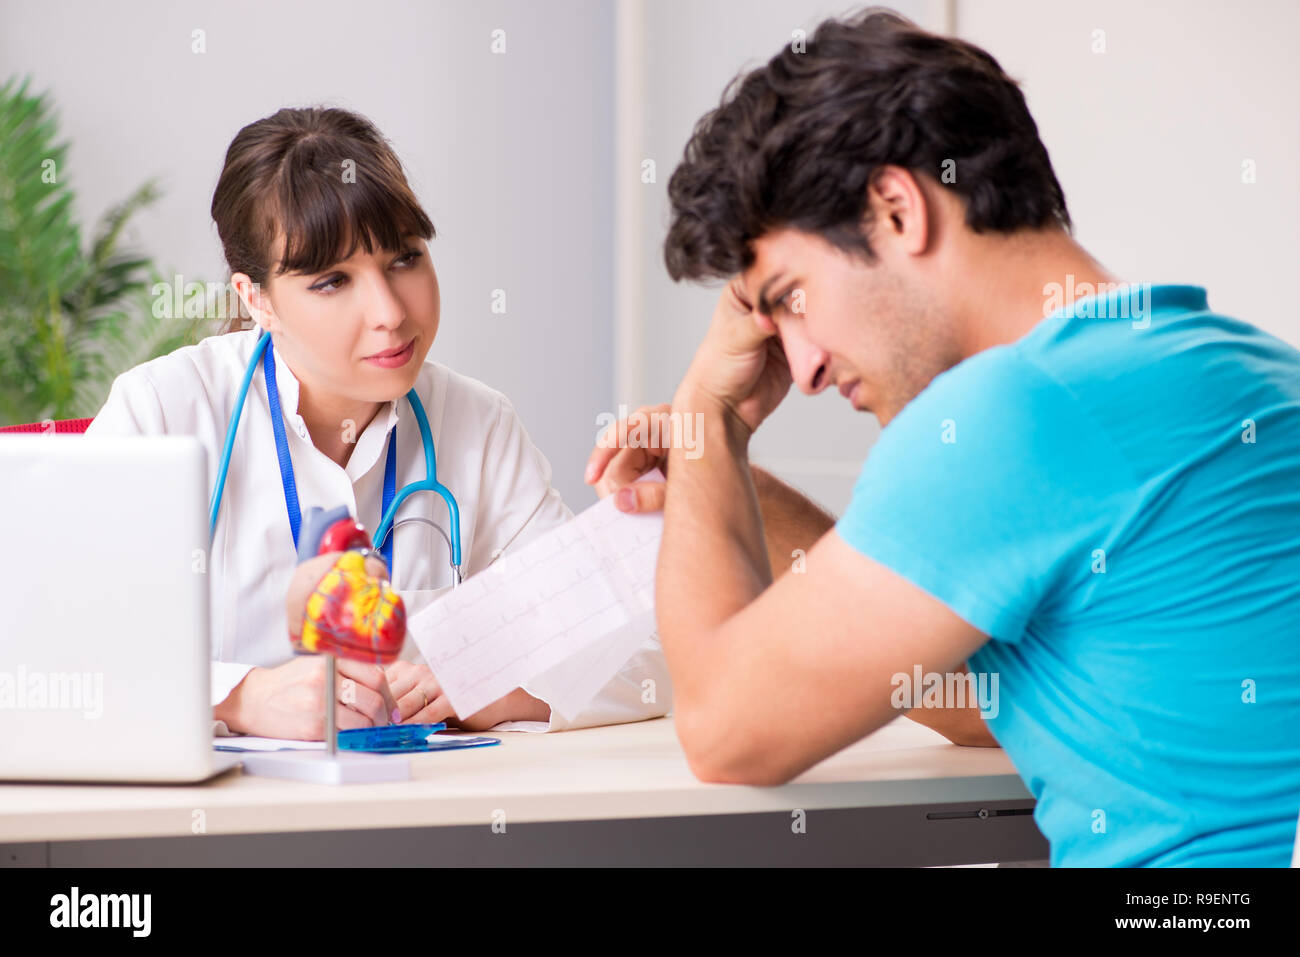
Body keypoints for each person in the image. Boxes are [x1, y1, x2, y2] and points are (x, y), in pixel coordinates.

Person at [586, 9, 1300, 866]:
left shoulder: (1015, 416)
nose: (800, 366)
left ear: (895, 209)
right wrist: (736, 487)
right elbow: (966, 694)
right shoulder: (1241, 365)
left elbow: (725, 731)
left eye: (790, 296)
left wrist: (708, 411)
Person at [88, 106, 669, 739]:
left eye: (404, 259)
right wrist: (238, 699)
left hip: (417, 816)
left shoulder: (479, 426)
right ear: (257, 300)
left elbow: (646, 652)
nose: (390, 312)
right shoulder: (162, 411)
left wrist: (496, 685)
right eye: (332, 281)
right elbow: (47, 644)